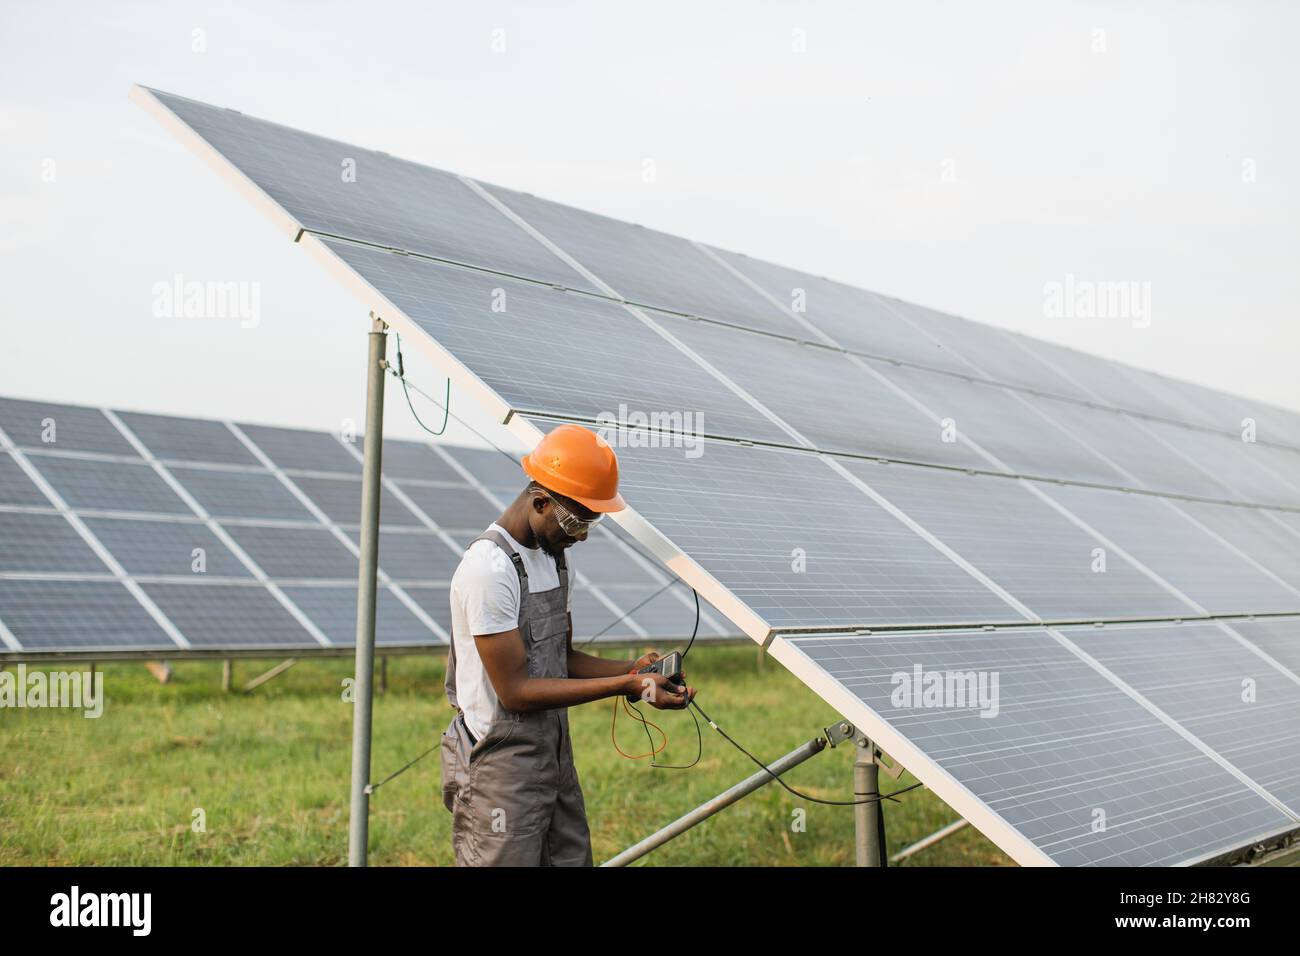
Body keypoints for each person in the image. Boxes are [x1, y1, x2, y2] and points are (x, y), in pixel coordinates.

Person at [440, 424, 695, 866]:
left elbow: (564, 659)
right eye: (576, 521)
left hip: (553, 755)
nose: (581, 535)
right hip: (500, 766)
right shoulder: (489, 570)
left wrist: (634, 670)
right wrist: (624, 688)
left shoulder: (557, 560)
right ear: (540, 501)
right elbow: (515, 691)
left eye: (591, 523)